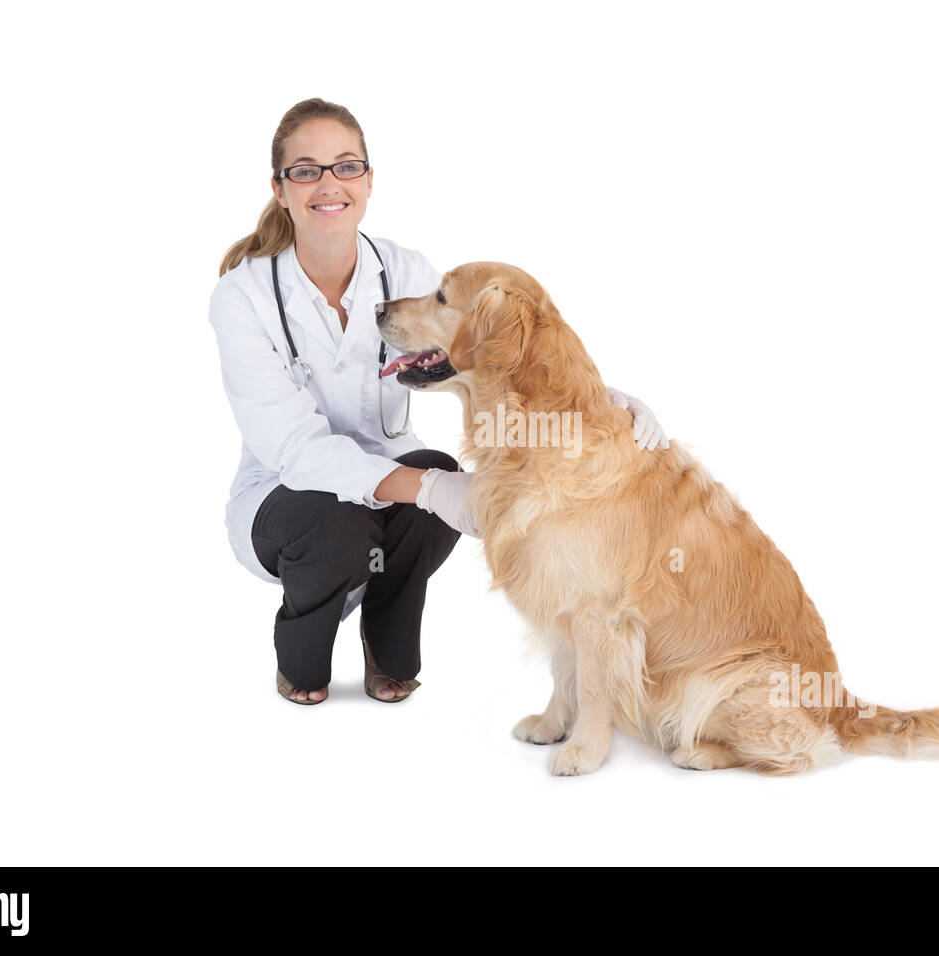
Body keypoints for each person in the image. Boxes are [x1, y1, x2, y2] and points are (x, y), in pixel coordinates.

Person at [209, 97, 669, 707]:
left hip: (389, 476)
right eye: (307, 169)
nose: (329, 184)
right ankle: (301, 656)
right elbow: (294, 448)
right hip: (285, 496)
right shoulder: (242, 296)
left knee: (441, 469)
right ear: (280, 188)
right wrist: (428, 492)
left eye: (347, 166)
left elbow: (492, 356)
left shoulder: (403, 270)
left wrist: (606, 400)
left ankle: (387, 645)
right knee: (343, 515)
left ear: (369, 180)